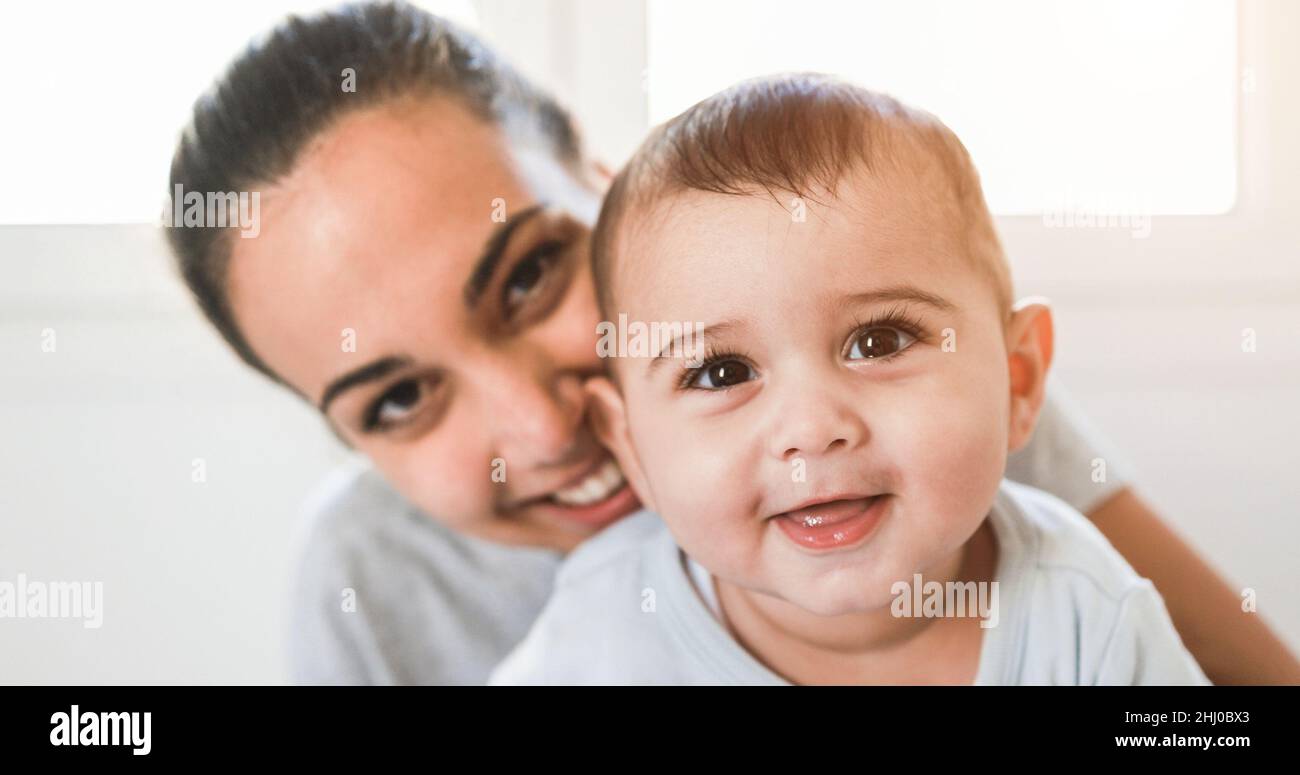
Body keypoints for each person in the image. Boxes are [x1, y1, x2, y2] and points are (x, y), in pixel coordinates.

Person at [164, 1, 1299, 684]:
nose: (541, 425)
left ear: (607, 192)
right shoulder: (374, 577)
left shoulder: (911, 409)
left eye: (527, 275)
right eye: (399, 399)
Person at [491, 75, 1208, 684]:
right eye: (721, 371)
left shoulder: (1087, 615)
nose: (811, 426)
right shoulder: (600, 630)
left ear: (1018, 380)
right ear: (633, 448)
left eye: (878, 341)